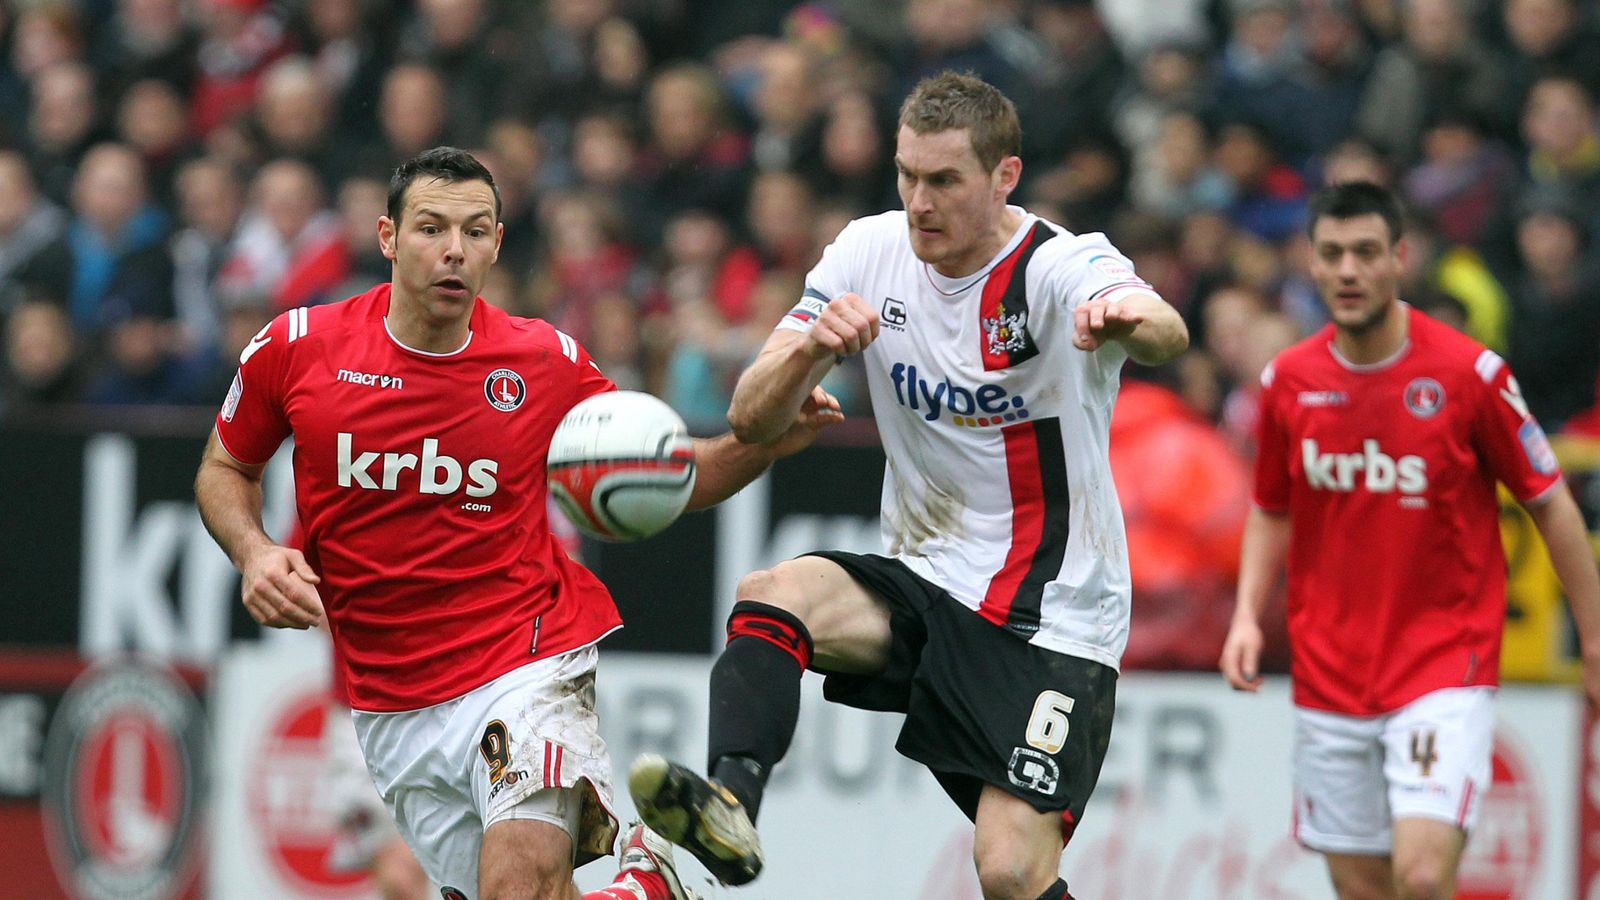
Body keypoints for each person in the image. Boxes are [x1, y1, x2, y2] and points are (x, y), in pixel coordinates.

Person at [194, 146, 842, 900]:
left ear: (498, 243)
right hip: (388, 704)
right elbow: (224, 468)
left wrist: (762, 442)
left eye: (475, 232)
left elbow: (671, 472)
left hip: (523, 661)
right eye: (432, 228)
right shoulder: (297, 347)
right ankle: (649, 888)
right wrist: (253, 551)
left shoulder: (542, 361)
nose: (454, 250)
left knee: (520, 880)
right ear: (388, 237)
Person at [627, 71, 1188, 899]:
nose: (920, 202)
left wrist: (1128, 321)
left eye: (945, 181)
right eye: (907, 175)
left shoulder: (1059, 265)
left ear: (1004, 177)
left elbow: (1167, 331)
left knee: (1010, 874)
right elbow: (749, 416)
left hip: (1054, 616)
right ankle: (730, 805)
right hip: (927, 576)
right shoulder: (868, 252)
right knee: (773, 593)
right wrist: (812, 347)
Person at [1219, 181, 1600, 900]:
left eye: (1366, 252)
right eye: (1333, 254)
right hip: (1329, 672)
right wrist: (1245, 614)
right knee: (1362, 887)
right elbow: (1270, 508)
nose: (1349, 270)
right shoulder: (1288, 382)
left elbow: (1551, 506)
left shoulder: (1471, 375)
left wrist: (1596, 639)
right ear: (1311, 263)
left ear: (1400, 258)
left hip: (1441, 667)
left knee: (1422, 876)